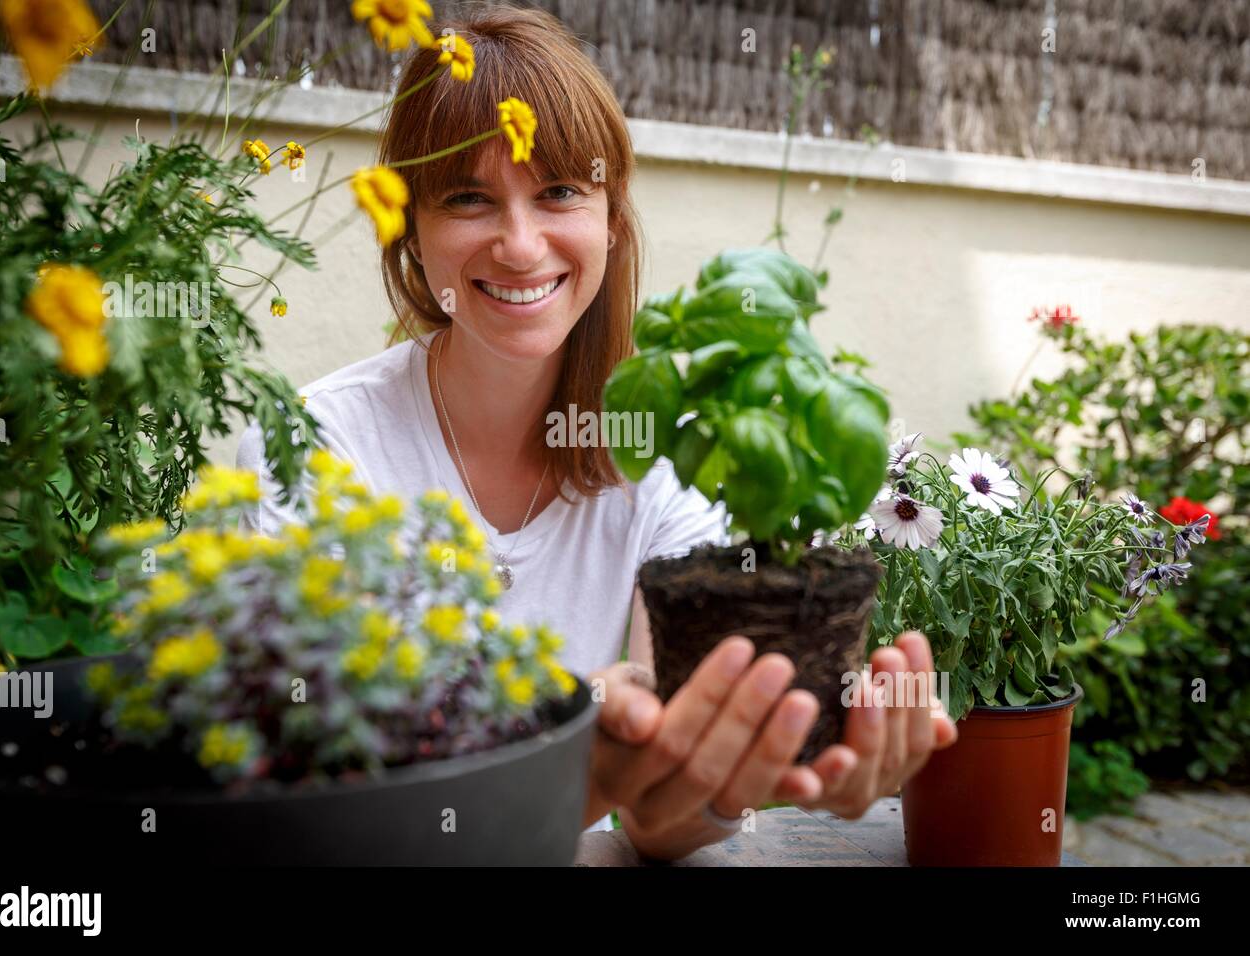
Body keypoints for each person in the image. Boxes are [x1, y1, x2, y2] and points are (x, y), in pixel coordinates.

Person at [237, 3, 957, 861]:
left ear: (610, 220)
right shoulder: (317, 444)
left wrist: (728, 765)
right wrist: (593, 757)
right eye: (467, 197)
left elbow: (662, 828)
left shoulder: (663, 451)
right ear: (411, 235)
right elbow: (335, 799)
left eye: (559, 192)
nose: (518, 243)